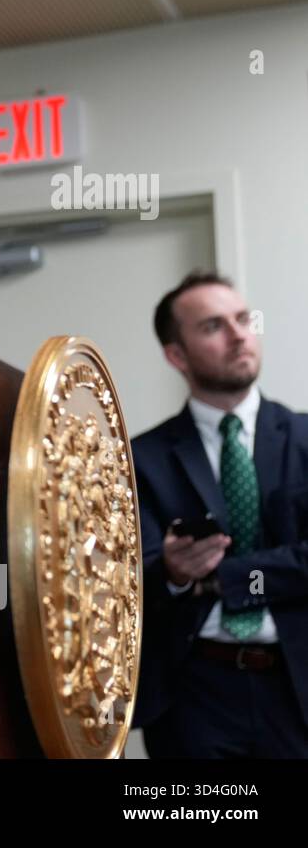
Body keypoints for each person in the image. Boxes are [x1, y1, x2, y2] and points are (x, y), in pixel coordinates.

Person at [131, 271, 308, 757]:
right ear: (176, 355)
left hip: (297, 685)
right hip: (194, 695)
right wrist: (170, 572)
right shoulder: (140, 458)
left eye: (243, 320)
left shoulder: (305, 437)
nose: (238, 335)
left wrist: (220, 578)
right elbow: (124, 581)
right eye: (213, 326)